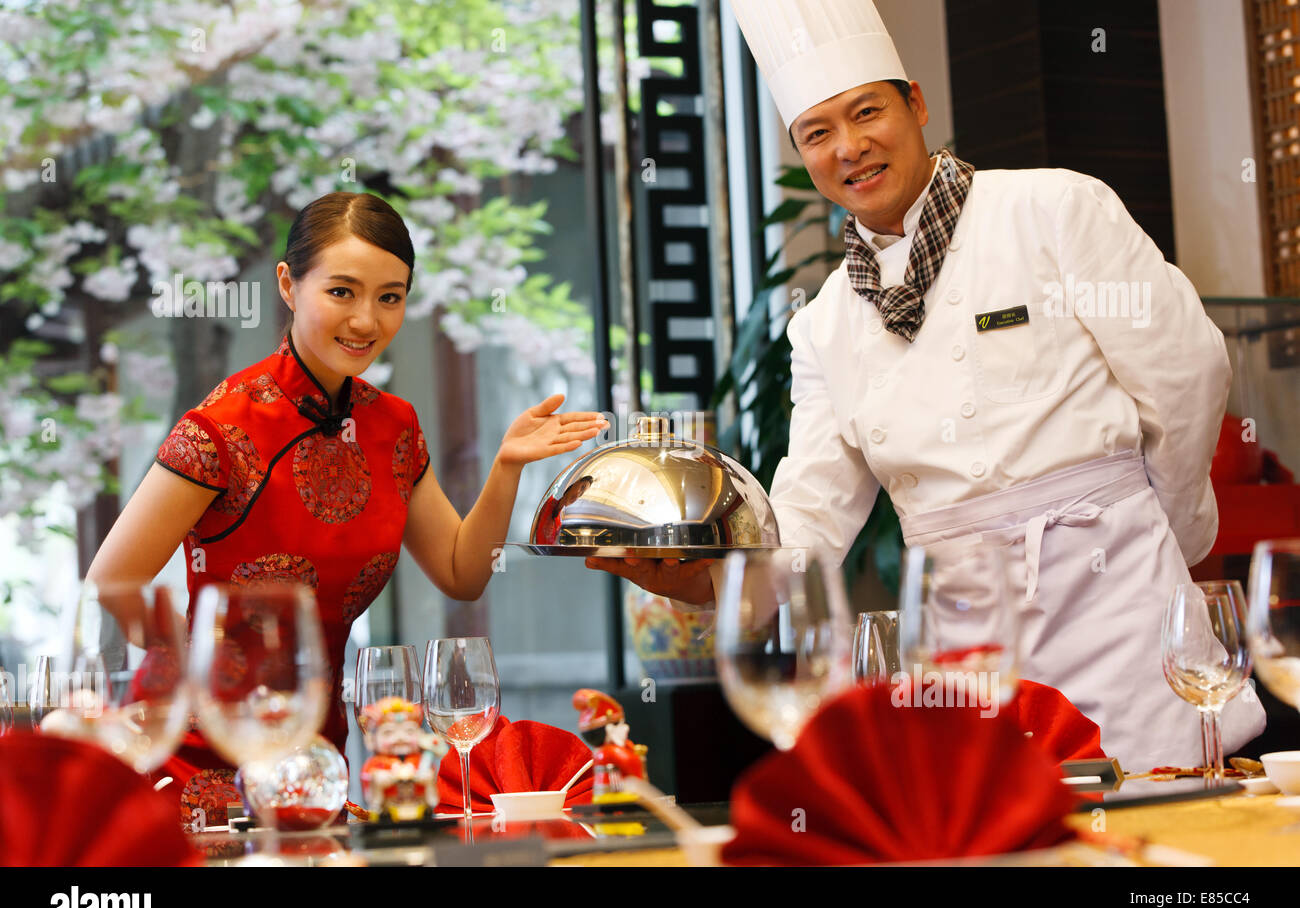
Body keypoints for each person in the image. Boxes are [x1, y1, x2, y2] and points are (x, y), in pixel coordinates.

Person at [588, 0, 1265, 769]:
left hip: (1117, 613)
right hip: (964, 655)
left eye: (866, 112)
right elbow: (809, 511)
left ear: (915, 102)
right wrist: (707, 584)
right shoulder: (823, 325)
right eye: (817, 132)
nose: (850, 147)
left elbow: (1187, 370)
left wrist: (1159, 531)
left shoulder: (1053, 207)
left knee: (1163, 836)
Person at [86, 191, 607, 793]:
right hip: (199, 758)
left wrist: (508, 463)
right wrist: (210, 671)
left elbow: (463, 573)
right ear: (288, 284)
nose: (367, 320)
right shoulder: (222, 426)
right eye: (342, 292)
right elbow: (112, 581)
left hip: (315, 764)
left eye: (391, 297)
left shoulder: (395, 426)